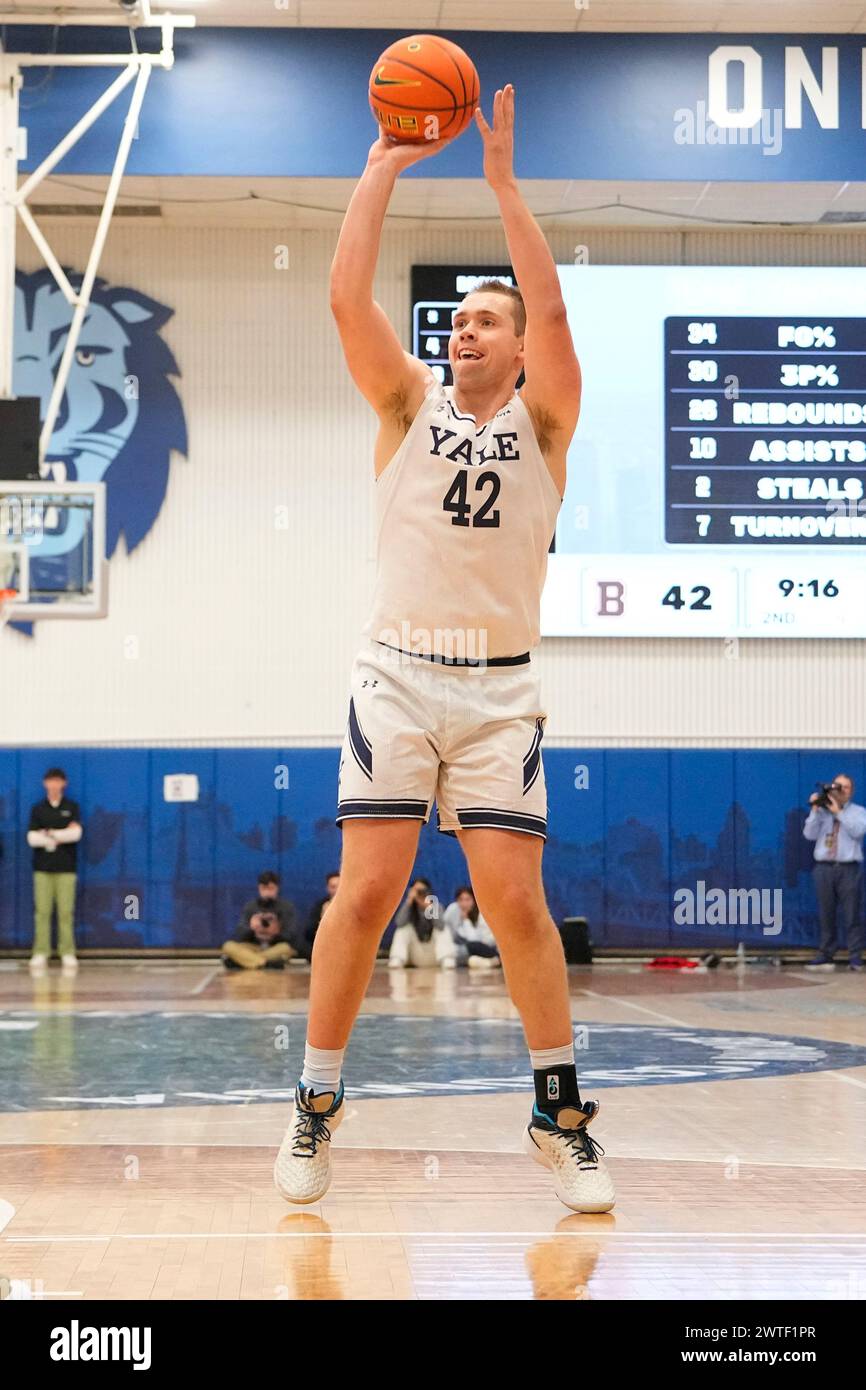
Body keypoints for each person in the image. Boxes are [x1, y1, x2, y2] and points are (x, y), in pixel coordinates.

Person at [274, 85, 614, 1215]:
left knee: (514, 900)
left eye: (485, 320)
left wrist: (504, 188)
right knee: (364, 890)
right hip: (397, 675)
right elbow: (339, 296)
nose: (463, 329)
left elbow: (557, 316)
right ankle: (317, 1102)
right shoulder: (404, 404)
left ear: (518, 351)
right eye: (457, 320)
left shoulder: (546, 422)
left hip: (501, 691)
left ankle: (555, 1107)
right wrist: (380, 163)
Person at [803, 775, 866, 972]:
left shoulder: (858, 812)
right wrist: (815, 810)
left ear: (852, 791)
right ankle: (825, 954)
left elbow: (858, 831)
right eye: (838, 787)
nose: (842, 791)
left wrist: (839, 813)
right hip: (824, 869)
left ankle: (855, 956)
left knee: (852, 914)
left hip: (848, 869)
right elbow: (809, 834)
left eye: (846, 787)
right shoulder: (822, 812)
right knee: (826, 914)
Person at [26, 767, 83, 974]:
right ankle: (41, 951)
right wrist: (61, 834)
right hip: (42, 868)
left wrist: (49, 834)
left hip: (67, 868)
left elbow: (75, 835)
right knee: (42, 912)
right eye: (50, 781)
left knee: (66, 912)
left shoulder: (72, 807)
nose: (54, 785)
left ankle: (67, 951)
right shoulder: (38, 809)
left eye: (58, 781)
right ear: (45, 784)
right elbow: (32, 838)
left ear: (64, 783)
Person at [222, 871, 300, 969]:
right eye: (264, 888)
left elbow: (291, 934)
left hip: (275, 947)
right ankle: (265, 963)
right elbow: (240, 933)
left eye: (271, 888)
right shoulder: (251, 907)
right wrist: (252, 929)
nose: (267, 892)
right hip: (254, 947)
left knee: (286, 949)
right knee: (228, 946)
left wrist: (275, 932)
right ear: (259, 888)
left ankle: (245, 961)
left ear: (277, 888)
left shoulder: (287, 907)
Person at [388, 877, 456, 969]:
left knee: (444, 929)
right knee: (403, 928)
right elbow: (399, 923)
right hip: (415, 954)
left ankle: (447, 959)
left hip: (434, 955)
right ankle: (397, 959)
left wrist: (429, 908)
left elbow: (441, 926)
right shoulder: (409, 907)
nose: (420, 893)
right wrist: (409, 901)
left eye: (423, 890)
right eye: (417, 890)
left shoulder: (436, 906)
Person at [443, 886, 501, 970]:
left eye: (467, 900)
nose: (464, 904)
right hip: (462, 949)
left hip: (484, 947)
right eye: (461, 900)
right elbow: (448, 931)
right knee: (465, 953)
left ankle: (495, 960)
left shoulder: (480, 913)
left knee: (474, 946)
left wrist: (466, 920)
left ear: (474, 900)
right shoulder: (453, 910)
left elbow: (476, 940)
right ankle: (487, 962)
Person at [305, 871, 340, 955]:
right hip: (323, 943)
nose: (336, 890)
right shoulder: (320, 905)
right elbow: (309, 931)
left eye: (340, 886)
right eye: (333, 887)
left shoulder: (353, 907)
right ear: (327, 888)